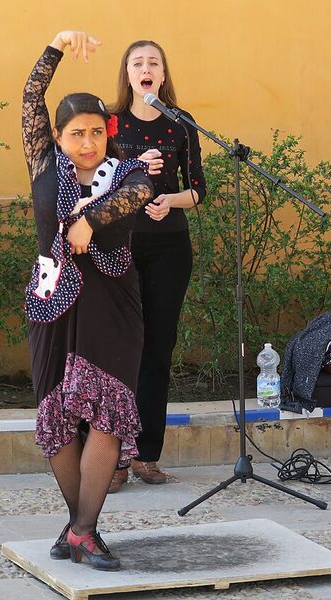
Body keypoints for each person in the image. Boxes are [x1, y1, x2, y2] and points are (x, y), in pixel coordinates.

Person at [23, 30, 154, 570]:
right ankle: (81, 530)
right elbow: (31, 98)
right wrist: (55, 45)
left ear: (109, 133)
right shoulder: (43, 166)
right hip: (53, 302)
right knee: (55, 411)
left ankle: (80, 529)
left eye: (97, 133)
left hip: (113, 306)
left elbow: (135, 197)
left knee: (106, 414)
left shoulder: (130, 173)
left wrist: (89, 220)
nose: (87, 143)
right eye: (76, 134)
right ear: (55, 136)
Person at [107, 40, 207, 492]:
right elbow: (94, 177)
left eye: (154, 63)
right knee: (117, 351)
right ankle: (110, 458)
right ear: (127, 74)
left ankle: (146, 454)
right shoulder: (110, 121)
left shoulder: (181, 123)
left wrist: (173, 199)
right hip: (120, 245)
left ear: (163, 76)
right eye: (137, 63)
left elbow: (199, 189)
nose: (146, 69)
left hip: (170, 247)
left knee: (157, 351)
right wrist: (132, 164)